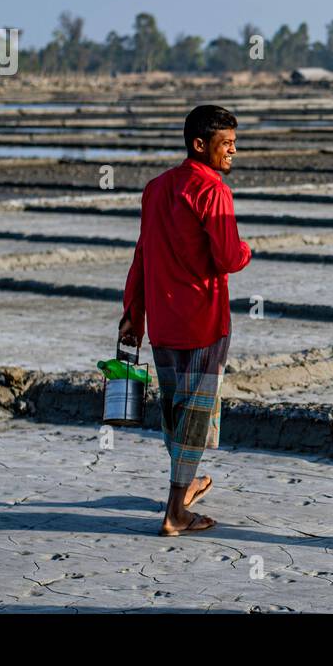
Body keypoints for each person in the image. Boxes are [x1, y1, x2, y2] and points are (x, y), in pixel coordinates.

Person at [119, 104, 251, 536]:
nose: (233, 151)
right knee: (193, 416)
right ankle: (176, 513)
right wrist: (247, 250)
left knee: (177, 413)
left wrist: (131, 314)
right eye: (226, 144)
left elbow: (142, 255)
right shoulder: (213, 192)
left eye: (235, 142)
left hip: (163, 321)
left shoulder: (157, 188)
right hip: (203, 322)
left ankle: (187, 483)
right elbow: (228, 257)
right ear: (200, 145)